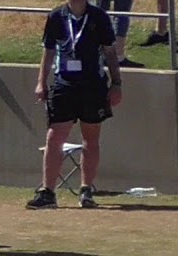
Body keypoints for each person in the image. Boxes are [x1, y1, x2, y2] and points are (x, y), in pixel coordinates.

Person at [26, 0, 123, 210]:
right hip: (64, 84)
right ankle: (48, 192)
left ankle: (86, 190)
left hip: (92, 85)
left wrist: (116, 83)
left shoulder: (98, 16)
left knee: (91, 138)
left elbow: (109, 52)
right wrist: (41, 82)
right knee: (54, 137)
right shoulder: (56, 16)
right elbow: (48, 51)